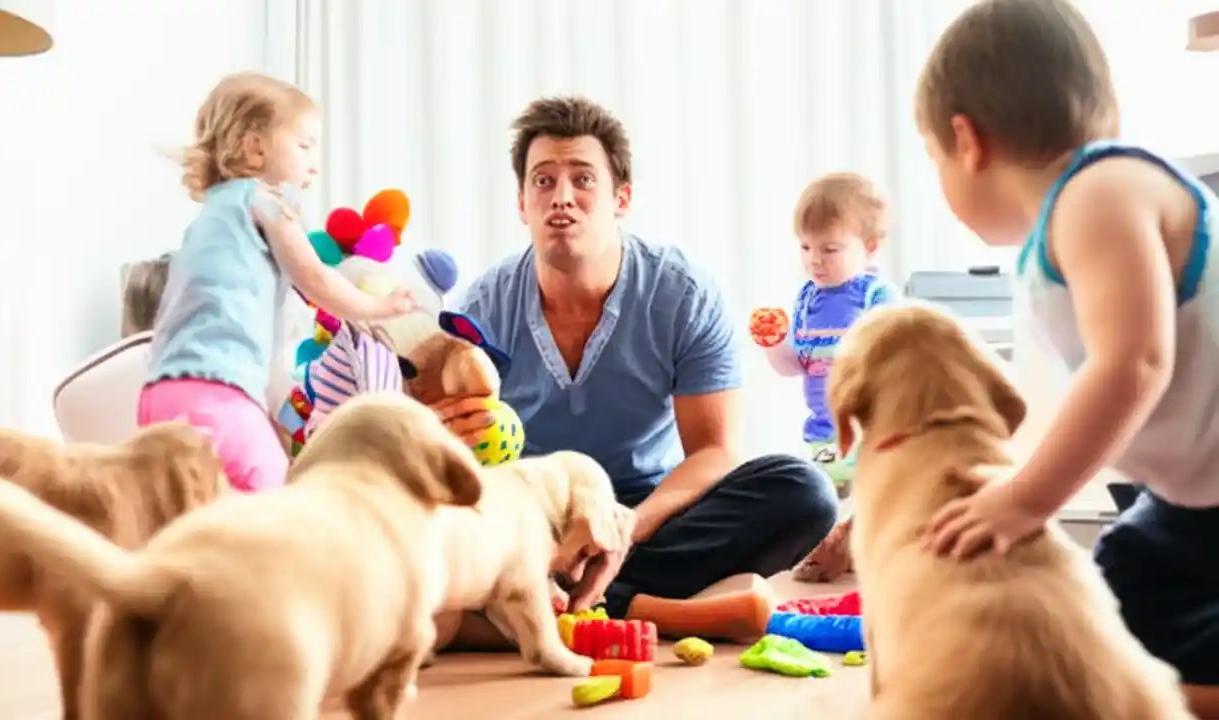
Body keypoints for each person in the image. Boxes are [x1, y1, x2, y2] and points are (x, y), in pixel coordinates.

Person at [914, 1, 1219, 715]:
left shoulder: (1099, 191)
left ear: (966, 140)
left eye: (931, 157)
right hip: (1192, 506)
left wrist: (1024, 499)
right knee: (1112, 601)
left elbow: (1134, 365)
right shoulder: (1073, 219)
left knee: (1117, 627)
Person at [440, 95, 838, 642]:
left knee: (803, 491)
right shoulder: (482, 307)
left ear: (620, 197)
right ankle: (636, 606)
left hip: (647, 515)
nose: (562, 197)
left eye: (583, 180)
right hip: (530, 520)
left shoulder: (683, 295)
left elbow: (714, 451)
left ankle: (546, 604)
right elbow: (452, 457)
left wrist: (626, 527)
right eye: (543, 181)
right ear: (521, 203)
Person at [141, 72, 415, 492]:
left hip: (160, 394)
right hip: (214, 394)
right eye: (304, 146)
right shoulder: (264, 199)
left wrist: (273, 415)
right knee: (276, 498)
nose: (315, 163)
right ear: (255, 150)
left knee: (196, 515)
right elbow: (315, 276)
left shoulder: (212, 217)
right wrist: (379, 307)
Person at [761, 172, 899, 583]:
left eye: (829, 249)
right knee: (821, 500)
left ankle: (867, 559)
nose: (814, 259)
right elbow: (794, 366)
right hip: (823, 430)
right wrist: (773, 343)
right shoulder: (806, 299)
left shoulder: (877, 296)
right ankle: (827, 555)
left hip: (871, 428)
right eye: (805, 247)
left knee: (875, 500)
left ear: (870, 247)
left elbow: (892, 356)